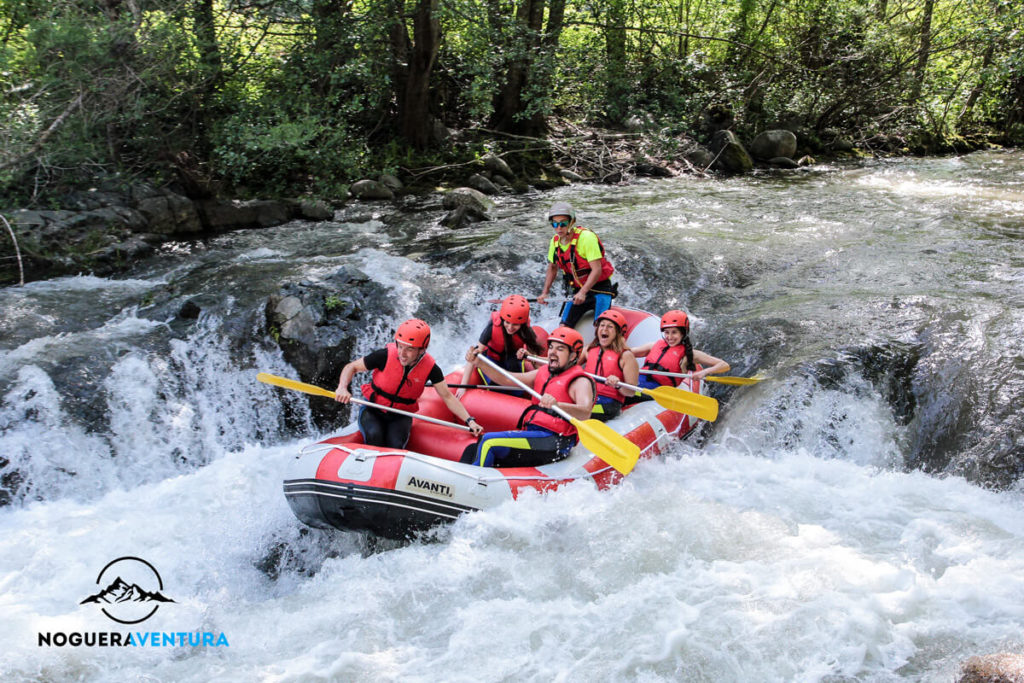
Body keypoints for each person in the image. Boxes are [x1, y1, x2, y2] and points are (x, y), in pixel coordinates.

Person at [334, 318, 484, 448]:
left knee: (396, 444)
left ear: (421, 350)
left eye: (409, 349)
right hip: (374, 409)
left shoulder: (431, 368)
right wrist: (342, 387)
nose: (402, 353)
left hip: (401, 414)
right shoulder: (384, 356)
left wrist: (470, 421)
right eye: (400, 346)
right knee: (374, 436)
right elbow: (351, 367)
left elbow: (447, 397)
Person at [462, 326, 595, 467]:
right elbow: (507, 380)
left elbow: (585, 412)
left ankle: (473, 486)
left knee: (489, 442)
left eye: (560, 349)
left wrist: (558, 405)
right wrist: (480, 363)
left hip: (556, 440)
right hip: (535, 433)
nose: (552, 353)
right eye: (551, 347)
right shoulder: (543, 372)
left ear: (573, 356)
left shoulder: (580, 381)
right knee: (475, 447)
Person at [536, 201, 618, 328]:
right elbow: (552, 268)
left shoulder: (586, 238)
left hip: (600, 289)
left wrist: (583, 292)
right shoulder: (555, 241)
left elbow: (597, 270)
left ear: (571, 222)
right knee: (563, 327)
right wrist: (545, 292)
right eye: (555, 224)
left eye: (563, 223)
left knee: (603, 327)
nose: (558, 228)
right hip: (577, 290)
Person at [457, 294, 546, 398]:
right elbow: (474, 355)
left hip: (512, 359)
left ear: (522, 323)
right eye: (507, 322)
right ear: (503, 318)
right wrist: (463, 386)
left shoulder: (526, 331)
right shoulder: (492, 328)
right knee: (496, 388)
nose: (510, 327)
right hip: (491, 359)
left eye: (515, 324)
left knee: (518, 390)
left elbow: (534, 358)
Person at [630, 310, 729, 394]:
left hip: (659, 389)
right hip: (640, 380)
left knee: (626, 390)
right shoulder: (654, 345)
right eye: (667, 332)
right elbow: (629, 353)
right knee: (620, 386)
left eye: (674, 332)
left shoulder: (690, 353)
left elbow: (724, 365)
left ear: (683, 333)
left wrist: (704, 372)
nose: (669, 337)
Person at [583, 309, 639, 421]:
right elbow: (567, 366)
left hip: (609, 403)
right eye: (602, 325)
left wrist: (618, 385)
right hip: (587, 396)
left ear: (618, 332)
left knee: (580, 412)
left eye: (610, 326)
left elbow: (631, 392)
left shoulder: (626, 356)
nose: (604, 329)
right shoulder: (589, 350)